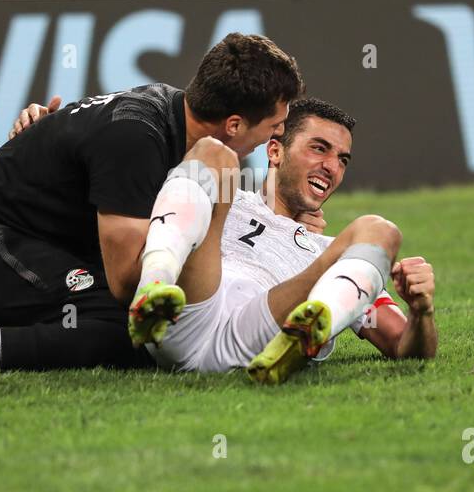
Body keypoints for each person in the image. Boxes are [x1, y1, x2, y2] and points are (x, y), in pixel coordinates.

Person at [0, 33, 304, 376]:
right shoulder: (137, 139)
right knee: (134, 326)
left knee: (147, 319)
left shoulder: (169, 114)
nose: (273, 139)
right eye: (274, 127)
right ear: (233, 124)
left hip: (33, 250)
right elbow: (126, 283)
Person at [127, 98, 437, 383]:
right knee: (214, 152)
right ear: (275, 151)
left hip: (263, 329)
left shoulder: (336, 255)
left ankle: (304, 334)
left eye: (343, 159)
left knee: (380, 229)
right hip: (192, 308)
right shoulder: (229, 198)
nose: (332, 167)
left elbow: (401, 345)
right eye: (319, 148)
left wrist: (421, 312)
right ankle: (154, 286)